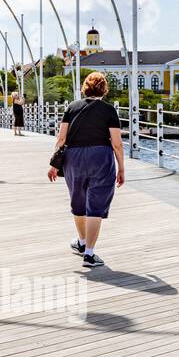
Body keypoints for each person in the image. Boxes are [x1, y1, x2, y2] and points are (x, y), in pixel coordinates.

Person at [48, 71, 125, 269]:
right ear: (104, 89)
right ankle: (89, 254)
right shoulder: (109, 111)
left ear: (85, 87)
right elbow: (116, 143)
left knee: (78, 201)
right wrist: (121, 168)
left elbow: (61, 139)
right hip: (100, 157)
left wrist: (53, 164)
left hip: (73, 159)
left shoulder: (72, 108)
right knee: (96, 205)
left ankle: (82, 242)